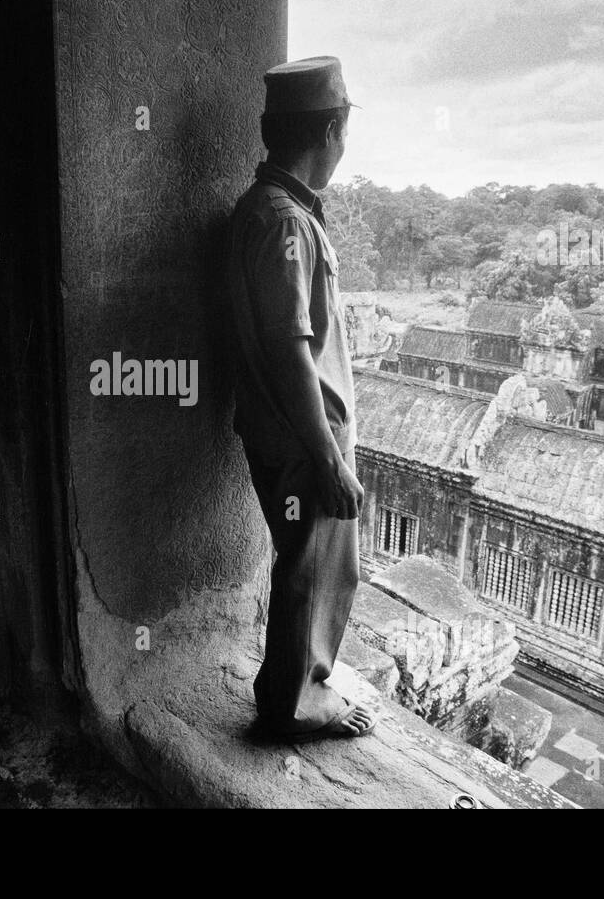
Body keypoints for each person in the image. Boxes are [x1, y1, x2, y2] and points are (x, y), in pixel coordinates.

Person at [226, 56, 376, 739]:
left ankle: (294, 690)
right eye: (344, 127)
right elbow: (292, 351)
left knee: (307, 565)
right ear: (330, 131)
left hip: (281, 428)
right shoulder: (286, 222)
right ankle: (293, 707)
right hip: (303, 437)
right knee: (312, 571)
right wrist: (328, 458)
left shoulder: (261, 209)